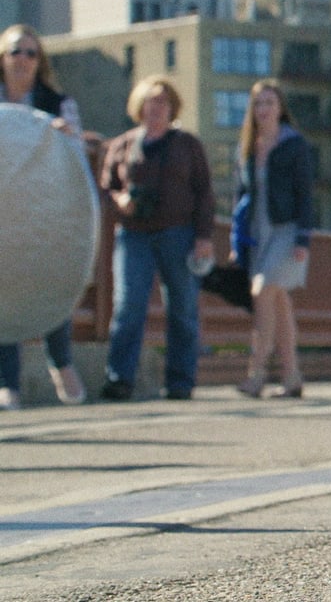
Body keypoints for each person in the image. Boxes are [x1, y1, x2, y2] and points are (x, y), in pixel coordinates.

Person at [97, 76, 216, 401]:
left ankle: (180, 382)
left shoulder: (187, 144)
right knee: (128, 306)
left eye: (163, 101)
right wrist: (121, 200)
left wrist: (203, 236)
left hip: (179, 233)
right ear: (139, 106)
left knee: (182, 308)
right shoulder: (122, 145)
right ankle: (119, 379)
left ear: (172, 106)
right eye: (150, 101)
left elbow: (204, 192)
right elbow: (105, 187)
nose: (156, 107)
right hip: (134, 235)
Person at [0, 24, 88, 409]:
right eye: (16, 51)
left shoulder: (58, 103)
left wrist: (65, 137)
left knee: (51, 285)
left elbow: (79, 161)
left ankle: (62, 362)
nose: (23, 60)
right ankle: (8, 385)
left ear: (41, 62)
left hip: (43, 218)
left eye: (31, 53)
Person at [234, 80, 315, 398]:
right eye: (258, 104)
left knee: (263, 293)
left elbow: (306, 194)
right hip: (258, 233)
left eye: (269, 102)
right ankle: (292, 376)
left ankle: (256, 375)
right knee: (279, 303)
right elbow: (241, 196)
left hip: (287, 229)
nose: (264, 109)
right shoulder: (247, 147)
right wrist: (236, 241)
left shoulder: (294, 145)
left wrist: (303, 239)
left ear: (281, 108)